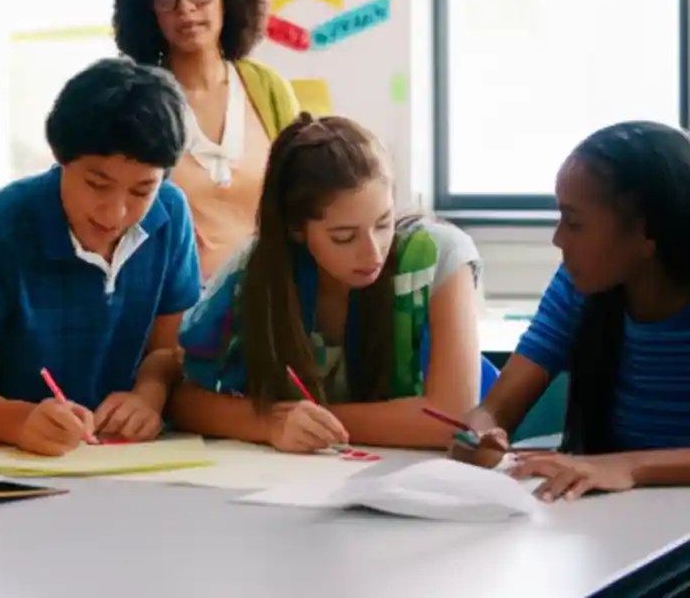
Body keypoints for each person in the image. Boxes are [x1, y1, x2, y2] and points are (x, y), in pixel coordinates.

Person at [0, 58, 201, 456]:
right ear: (60, 158)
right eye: (97, 184)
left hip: (125, 460)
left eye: (142, 191)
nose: (115, 213)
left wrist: (149, 395)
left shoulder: (171, 215)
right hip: (12, 463)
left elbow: (167, 352)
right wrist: (22, 422)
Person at [172, 114, 492, 451]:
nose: (372, 253)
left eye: (384, 224)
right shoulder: (260, 269)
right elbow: (183, 397)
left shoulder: (439, 256)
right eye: (344, 237)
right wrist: (271, 423)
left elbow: (452, 419)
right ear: (297, 229)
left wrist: (319, 419)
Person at [453, 121, 690, 501]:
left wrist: (630, 466)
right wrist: (480, 432)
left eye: (574, 222)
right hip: (620, 515)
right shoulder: (577, 289)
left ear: (647, 233)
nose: (558, 238)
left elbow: (622, 468)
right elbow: (495, 411)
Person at [114, 0, 300, 281]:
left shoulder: (268, 89)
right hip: (172, 312)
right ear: (150, 11)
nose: (186, 8)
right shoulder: (137, 100)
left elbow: (306, 195)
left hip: (269, 303)